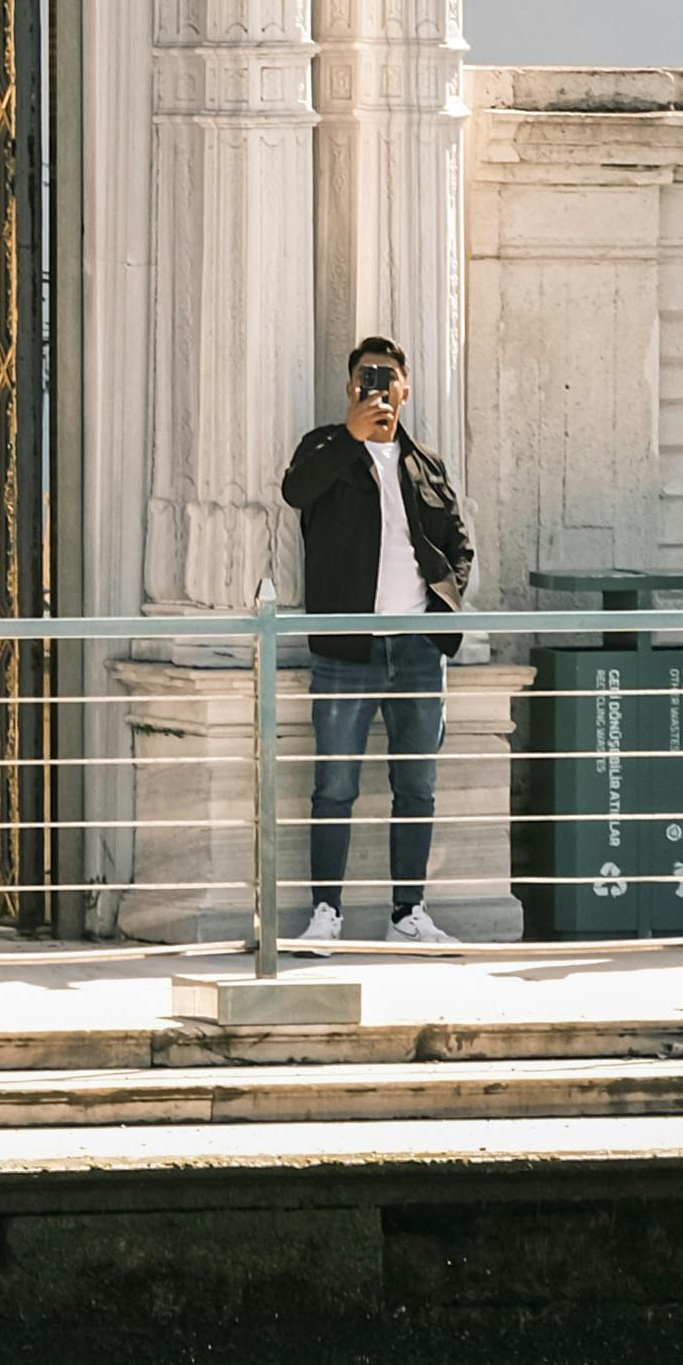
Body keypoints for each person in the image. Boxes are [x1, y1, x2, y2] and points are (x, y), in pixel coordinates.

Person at [280, 334, 473, 949]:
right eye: (367, 378)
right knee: (335, 785)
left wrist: (444, 603)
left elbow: (458, 543)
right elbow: (296, 492)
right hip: (347, 650)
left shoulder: (427, 464)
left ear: (406, 387)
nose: (379, 388)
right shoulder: (326, 449)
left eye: (388, 378)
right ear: (349, 389)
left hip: (417, 648)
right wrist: (351, 436)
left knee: (416, 786)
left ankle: (408, 914)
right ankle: (325, 915)